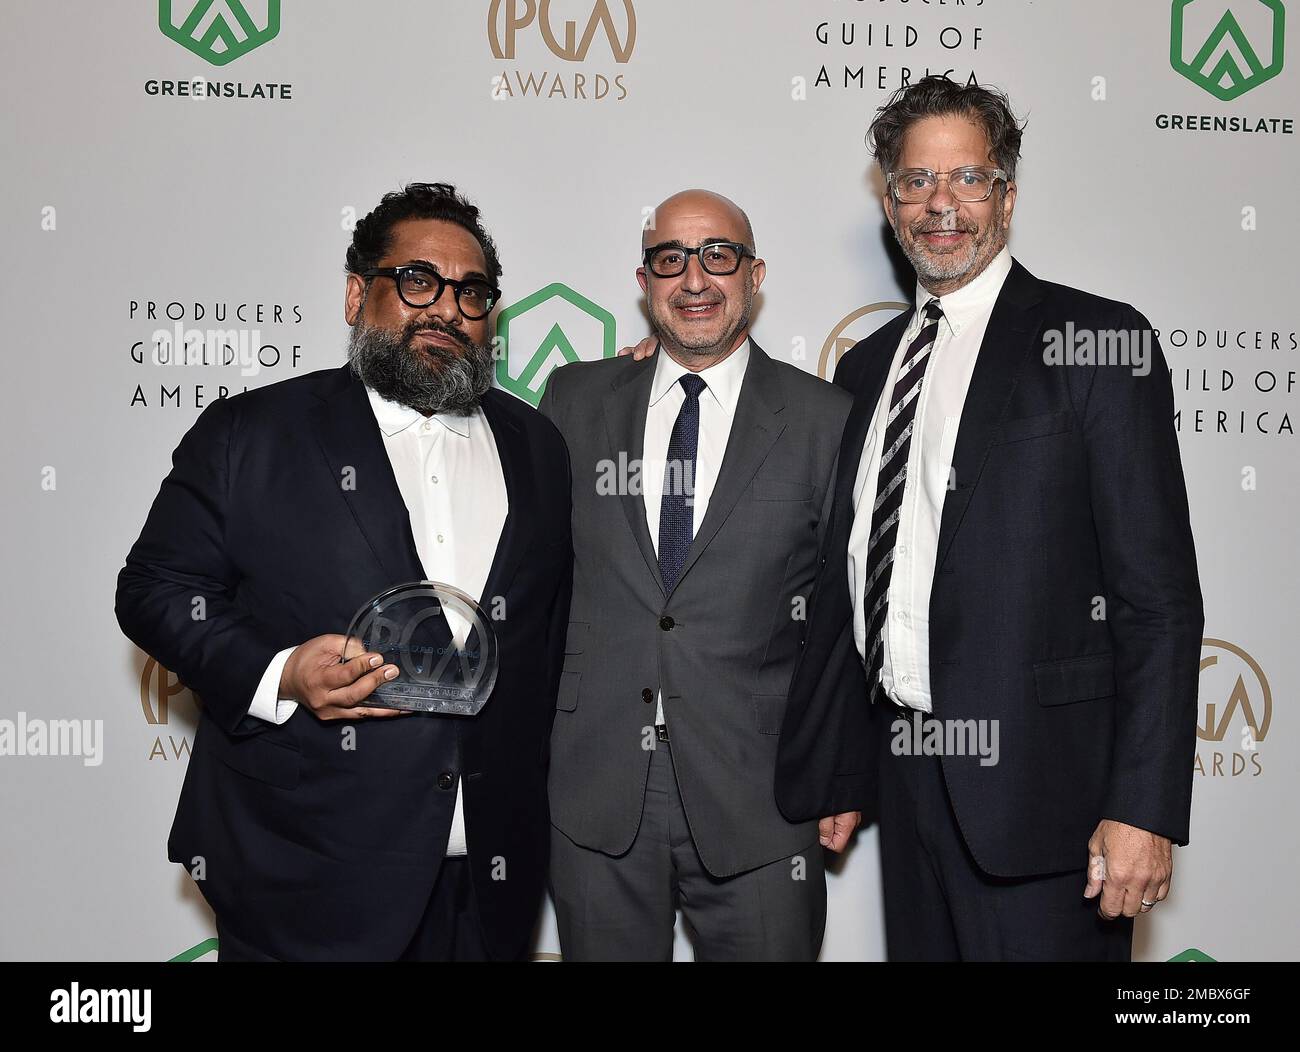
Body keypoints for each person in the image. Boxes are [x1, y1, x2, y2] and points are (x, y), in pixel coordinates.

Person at [780, 76, 1204, 960]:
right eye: (915, 182)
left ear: (1006, 196)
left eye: (968, 179)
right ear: (890, 201)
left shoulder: (1098, 343)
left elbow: (1157, 599)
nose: (941, 205)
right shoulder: (864, 369)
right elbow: (853, 576)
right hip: (907, 783)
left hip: (1053, 808)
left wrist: (1143, 807)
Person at [116, 182, 572, 961]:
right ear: (360, 293)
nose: (446, 310)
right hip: (304, 873)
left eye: (472, 293)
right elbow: (155, 589)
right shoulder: (252, 433)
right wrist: (284, 672)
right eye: (418, 280)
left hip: (491, 885)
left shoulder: (536, 444)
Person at [540, 189, 865, 961]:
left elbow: (846, 611)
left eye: (718, 256)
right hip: (595, 792)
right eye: (671, 260)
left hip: (761, 799)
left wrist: (842, 770)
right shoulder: (572, 399)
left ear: (755, 275)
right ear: (644, 280)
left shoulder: (824, 417)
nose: (695, 280)